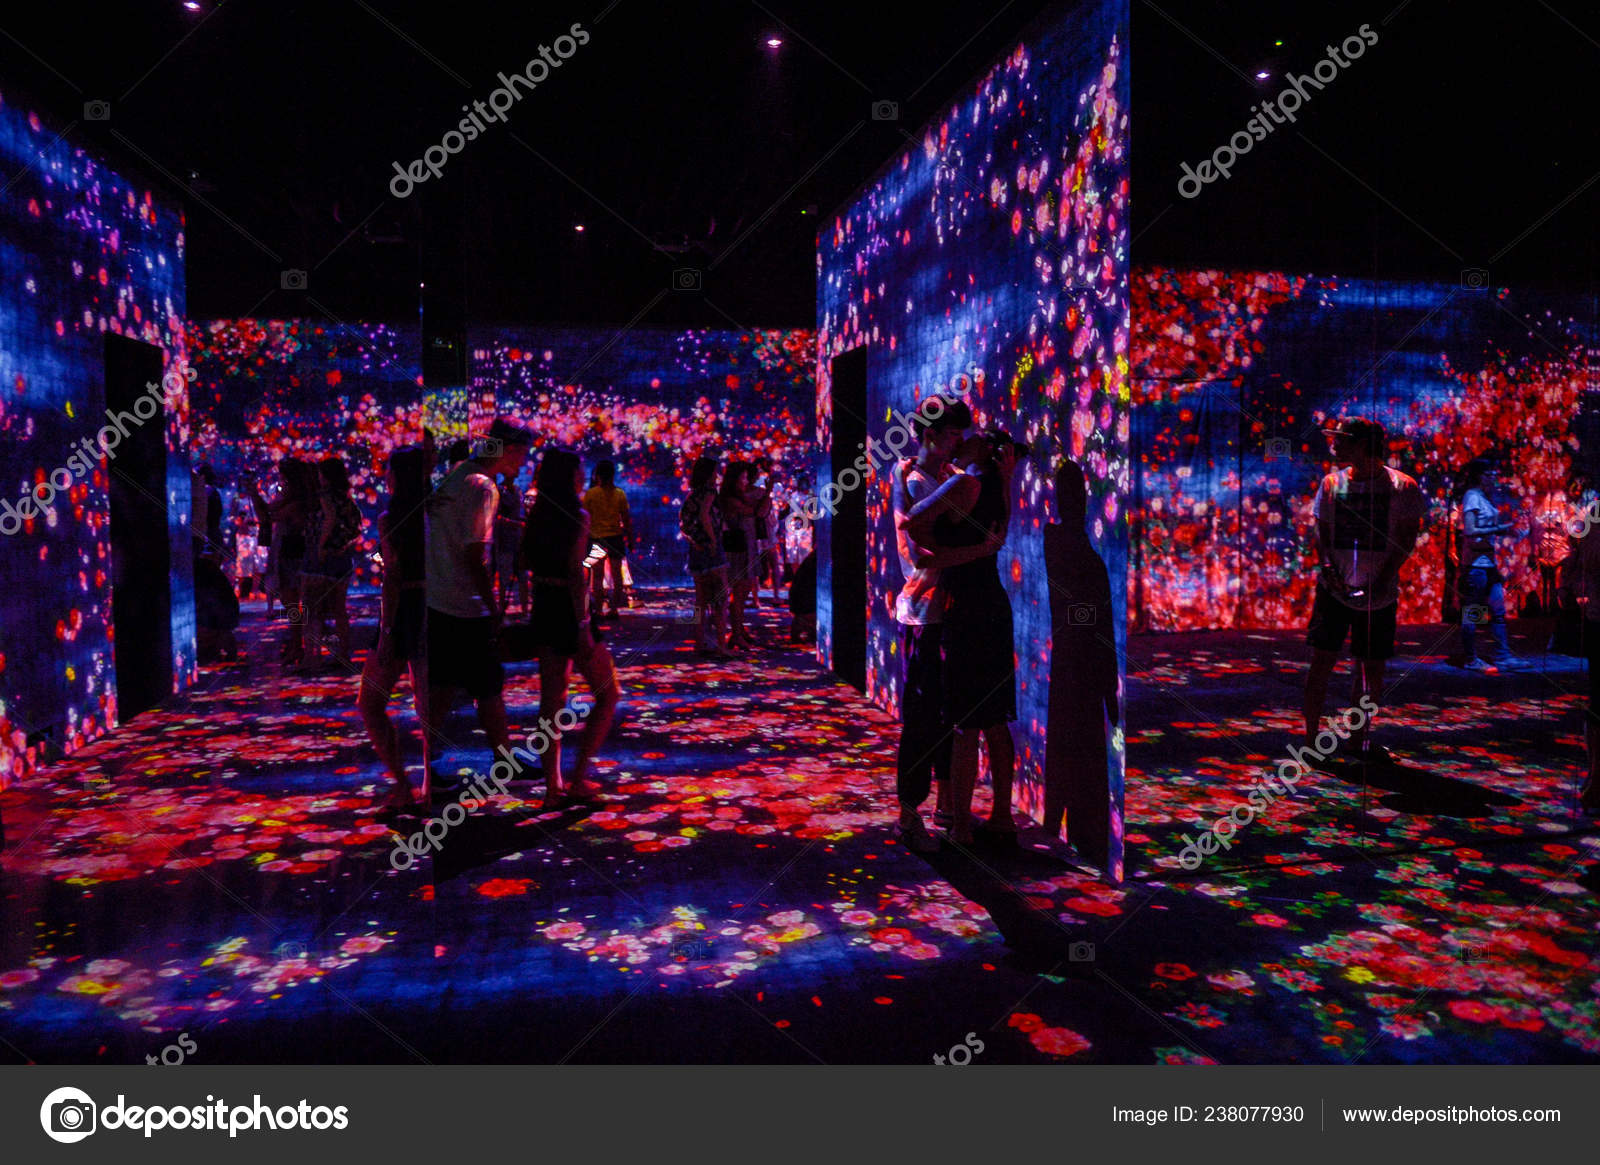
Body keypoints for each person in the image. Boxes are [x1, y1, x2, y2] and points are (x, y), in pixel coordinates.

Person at [902, 429, 1023, 844]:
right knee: (995, 719)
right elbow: (999, 535)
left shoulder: (964, 482)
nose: (962, 441)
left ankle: (963, 828)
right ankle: (1003, 817)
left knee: (965, 723)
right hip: (993, 604)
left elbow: (913, 525)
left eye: (972, 438)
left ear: (983, 450)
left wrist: (953, 553)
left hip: (964, 607)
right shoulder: (998, 487)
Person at [421, 420, 532, 801]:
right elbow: (474, 555)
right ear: (504, 449)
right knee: (484, 685)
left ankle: (431, 763)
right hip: (465, 606)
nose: (522, 460)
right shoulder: (484, 487)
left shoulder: (456, 476)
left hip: (439, 599)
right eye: (519, 452)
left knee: (450, 687)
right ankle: (502, 762)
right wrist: (493, 607)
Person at [1303, 417, 1426, 759]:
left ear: (1361, 444)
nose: (1334, 446)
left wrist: (1383, 580)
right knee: (1322, 661)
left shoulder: (1403, 487)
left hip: (1380, 594)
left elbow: (1405, 539)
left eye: (1341, 440)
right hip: (1334, 590)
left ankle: (1359, 737)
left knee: (1370, 667)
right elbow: (1322, 531)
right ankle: (1311, 738)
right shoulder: (1331, 484)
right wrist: (1329, 569)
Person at [890, 396, 974, 852]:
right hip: (923, 611)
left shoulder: (939, 476)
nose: (957, 444)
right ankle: (908, 813)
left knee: (947, 712)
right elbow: (920, 550)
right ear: (929, 436)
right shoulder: (912, 477)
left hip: (951, 608)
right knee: (921, 714)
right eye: (951, 436)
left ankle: (941, 804)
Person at [521, 448, 621, 804]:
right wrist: (582, 623)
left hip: (544, 605)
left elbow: (526, 562)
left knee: (551, 700)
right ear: (570, 475)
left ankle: (553, 787)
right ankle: (577, 779)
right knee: (608, 692)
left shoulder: (538, 515)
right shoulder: (577, 516)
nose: (583, 474)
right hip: (568, 608)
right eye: (579, 468)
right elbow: (575, 575)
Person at [359, 448, 431, 814]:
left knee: (371, 702)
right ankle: (429, 788)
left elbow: (392, 576)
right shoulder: (435, 512)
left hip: (404, 610)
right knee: (428, 707)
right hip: (433, 609)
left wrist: (386, 631)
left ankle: (404, 786)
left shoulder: (391, 519)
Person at [1457, 459, 1524, 672]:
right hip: (1475, 565)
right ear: (1479, 475)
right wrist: (1499, 528)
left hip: (1488, 563)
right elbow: (1469, 530)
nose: (1493, 478)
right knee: (1473, 611)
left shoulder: (1484, 497)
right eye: (1489, 473)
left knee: (1498, 610)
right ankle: (1470, 659)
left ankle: (1502, 656)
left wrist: (1505, 529)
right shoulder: (1472, 497)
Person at [251, 458, 318, 665]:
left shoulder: (294, 502)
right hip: (299, 553)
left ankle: (300, 648)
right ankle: (301, 648)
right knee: (302, 605)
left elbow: (267, 516)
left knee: (294, 604)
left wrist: (253, 492)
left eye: (283, 476)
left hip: (291, 555)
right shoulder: (303, 498)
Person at [300, 456, 363, 667]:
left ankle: (310, 657)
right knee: (339, 609)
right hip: (342, 556)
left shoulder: (325, 495)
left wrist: (320, 545)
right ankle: (344, 654)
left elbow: (329, 517)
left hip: (322, 557)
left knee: (310, 607)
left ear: (324, 476)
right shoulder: (346, 498)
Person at [1559, 514, 1600, 813]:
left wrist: (1569, 590)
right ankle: (1596, 779)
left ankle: (1595, 779)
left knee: (1598, 702)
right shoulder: (1593, 521)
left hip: (1597, 617)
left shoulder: (1593, 521)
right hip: (1598, 618)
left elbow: (1573, 565)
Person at [681, 455, 732, 657]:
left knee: (700, 600)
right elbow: (704, 515)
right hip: (711, 548)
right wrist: (712, 539)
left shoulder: (692, 495)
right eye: (715, 471)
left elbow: (684, 522)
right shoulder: (710, 492)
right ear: (710, 474)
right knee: (720, 597)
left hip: (696, 549)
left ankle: (699, 642)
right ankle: (721, 646)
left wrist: (698, 540)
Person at [720, 461, 769, 647]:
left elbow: (762, 510)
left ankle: (738, 630)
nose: (746, 481)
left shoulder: (744, 496)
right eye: (743, 477)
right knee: (738, 592)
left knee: (744, 590)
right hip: (738, 548)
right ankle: (735, 633)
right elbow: (755, 511)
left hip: (748, 545)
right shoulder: (728, 498)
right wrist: (767, 492)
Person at [582, 460, 632, 620]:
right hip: (615, 538)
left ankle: (598, 610)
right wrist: (630, 539)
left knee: (596, 576)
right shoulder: (619, 494)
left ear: (597, 475)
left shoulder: (591, 494)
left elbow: (584, 518)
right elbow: (626, 518)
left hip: (596, 538)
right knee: (617, 576)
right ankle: (614, 609)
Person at [493, 470, 526, 616]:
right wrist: (515, 524)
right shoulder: (500, 491)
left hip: (517, 540)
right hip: (505, 539)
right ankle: (501, 609)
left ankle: (525, 610)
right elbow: (497, 517)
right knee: (504, 576)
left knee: (522, 576)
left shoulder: (518, 491)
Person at [788, 547, 817, 644]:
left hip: (801, 599)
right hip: (803, 601)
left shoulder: (812, 560)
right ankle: (807, 626)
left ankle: (809, 629)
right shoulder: (815, 562)